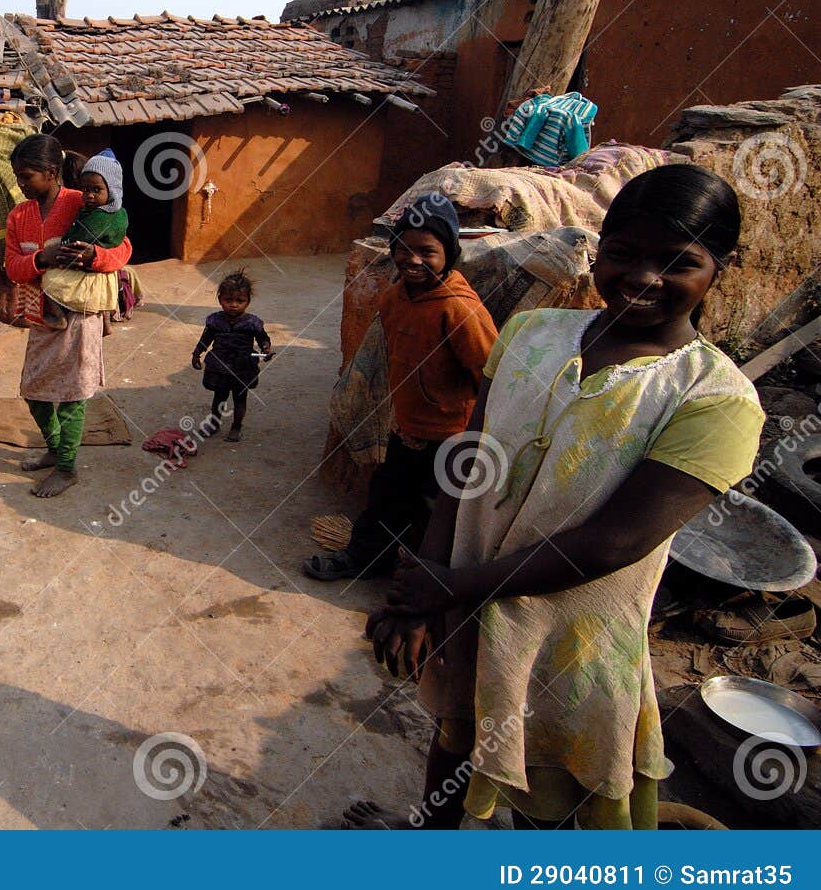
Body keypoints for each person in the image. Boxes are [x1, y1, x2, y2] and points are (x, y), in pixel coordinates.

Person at [354, 165, 764, 830]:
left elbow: (616, 542)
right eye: (624, 253)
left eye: (677, 261)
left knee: (552, 789)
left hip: (573, 637)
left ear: (724, 264)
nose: (642, 277)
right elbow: (471, 458)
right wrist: (420, 586)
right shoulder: (531, 334)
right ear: (599, 248)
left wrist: (450, 586)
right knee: (456, 736)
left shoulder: (713, 397)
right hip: (466, 602)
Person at [304, 195, 497, 579]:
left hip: (449, 437)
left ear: (450, 253)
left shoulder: (460, 310)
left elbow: (488, 373)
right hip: (406, 428)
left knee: (433, 511)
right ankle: (365, 557)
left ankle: (420, 581)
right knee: (385, 498)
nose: (413, 260)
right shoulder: (394, 298)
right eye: (404, 249)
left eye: (427, 251)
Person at [4, 134, 133, 498]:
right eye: (18, 176)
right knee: (34, 392)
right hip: (41, 314)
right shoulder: (19, 215)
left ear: (52, 172)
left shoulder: (84, 199)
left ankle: (66, 467)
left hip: (80, 314)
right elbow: (12, 267)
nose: (21, 184)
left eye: (27, 176)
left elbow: (122, 250)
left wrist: (93, 258)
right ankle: (55, 447)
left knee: (73, 397)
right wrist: (40, 260)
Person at [40, 154, 128, 318]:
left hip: (88, 269)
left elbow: (79, 235)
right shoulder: (116, 212)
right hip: (102, 271)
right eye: (85, 190)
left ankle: (55, 314)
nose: (89, 195)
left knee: (50, 280)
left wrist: (63, 245)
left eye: (96, 190)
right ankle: (106, 323)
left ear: (113, 190)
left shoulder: (99, 217)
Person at [190, 270, 272, 442]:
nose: (234, 305)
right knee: (219, 396)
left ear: (248, 302)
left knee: (240, 398)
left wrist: (266, 348)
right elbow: (205, 340)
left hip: (243, 366)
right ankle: (214, 423)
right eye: (228, 300)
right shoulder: (215, 321)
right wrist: (196, 354)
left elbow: (263, 338)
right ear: (220, 300)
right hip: (220, 365)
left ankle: (236, 427)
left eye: (239, 301)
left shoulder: (252, 323)